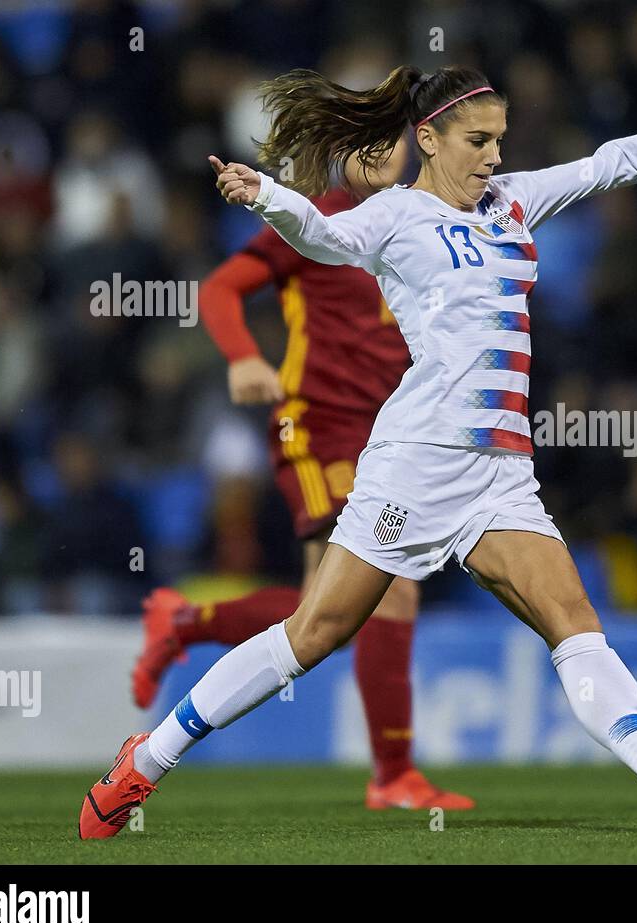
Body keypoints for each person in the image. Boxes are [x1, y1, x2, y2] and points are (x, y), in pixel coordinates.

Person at [80, 64, 637, 838]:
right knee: (313, 633)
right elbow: (324, 237)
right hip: (416, 465)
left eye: (499, 141)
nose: (492, 155)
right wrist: (268, 196)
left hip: (501, 474)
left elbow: (616, 160)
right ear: (429, 138)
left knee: (575, 620)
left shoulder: (514, 199)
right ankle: (144, 763)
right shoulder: (395, 216)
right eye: (477, 140)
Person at [131, 139, 472, 810]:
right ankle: (393, 774)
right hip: (316, 425)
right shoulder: (314, 220)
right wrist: (242, 357)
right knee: (389, 586)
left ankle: (188, 621)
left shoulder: (419, 222)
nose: (384, 154)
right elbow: (222, 288)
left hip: (387, 435)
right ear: (341, 153)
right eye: (367, 142)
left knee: (329, 608)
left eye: (394, 140)